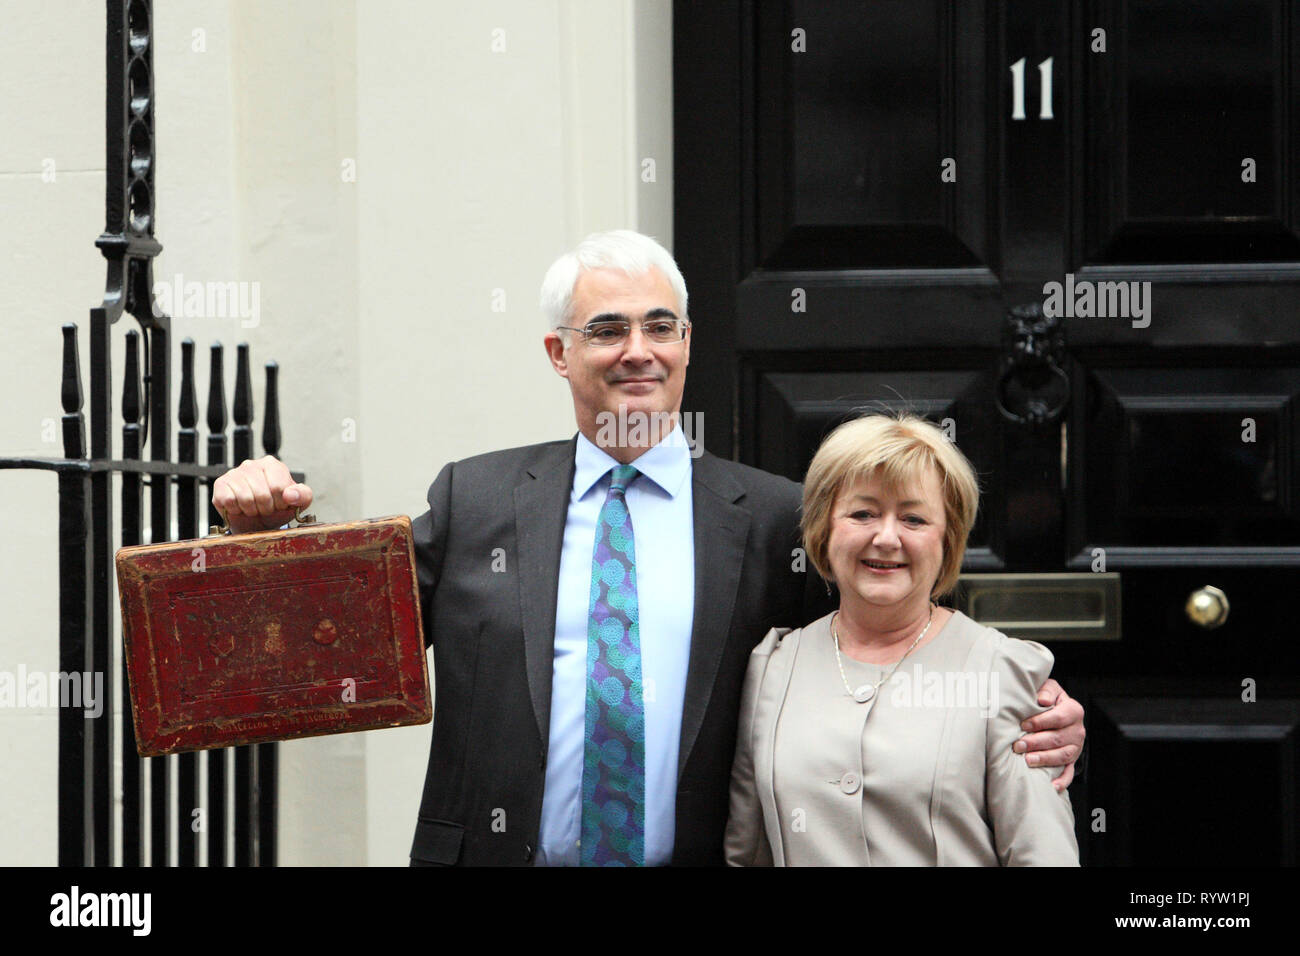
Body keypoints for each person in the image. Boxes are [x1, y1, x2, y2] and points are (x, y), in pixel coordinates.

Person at [212, 230, 1085, 866]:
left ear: (687, 344)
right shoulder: (475, 500)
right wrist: (253, 544)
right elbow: (321, 645)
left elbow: (885, 645)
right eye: (608, 330)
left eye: (661, 327)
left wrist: (1026, 714)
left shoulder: (775, 517)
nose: (639, 351)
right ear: (559, 351)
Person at [725, 414, 1079, 865]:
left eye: (913, 518)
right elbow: (747, 853)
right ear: (823, 528)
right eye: (863, 513)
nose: (886, 537)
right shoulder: (774, 666)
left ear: (947, 541)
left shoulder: (1001, 671)